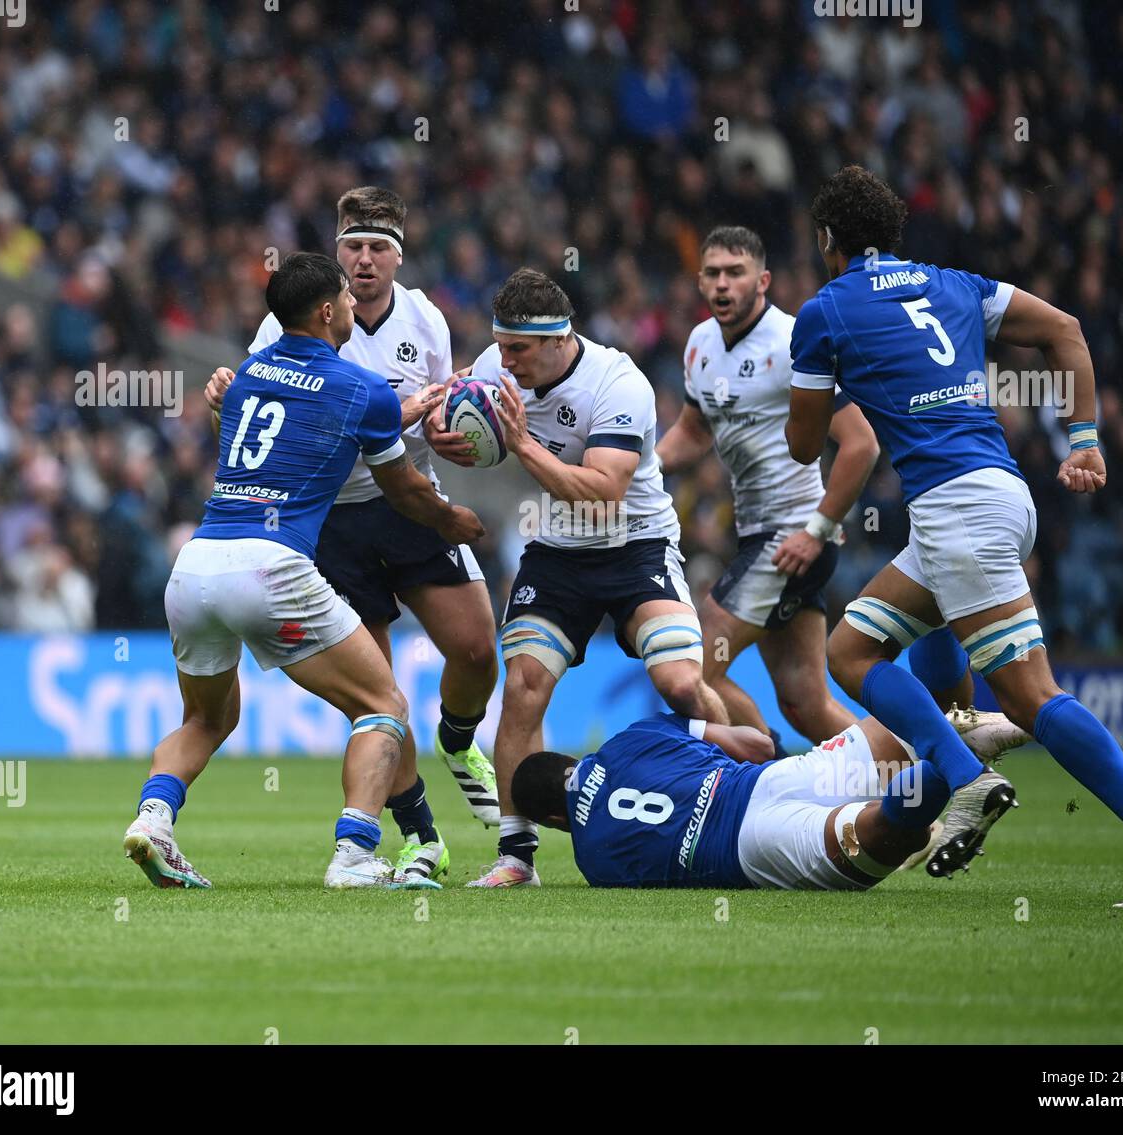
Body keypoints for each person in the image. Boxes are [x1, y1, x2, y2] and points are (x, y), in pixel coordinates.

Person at [787, 165, 1123, 908]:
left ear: (828, 239)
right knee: (853, 648)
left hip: (957, 512)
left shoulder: (825, 312)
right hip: (1001, 494)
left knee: (1031, 697)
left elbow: (801, 443)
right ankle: (963, 752)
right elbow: (1067, 332)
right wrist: (1084, 439)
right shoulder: (953, 283)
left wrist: (824, 386)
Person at [124, 252, 483, 891]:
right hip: (270, 566)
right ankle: (354, 855)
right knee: (384, 705)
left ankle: (154, 820)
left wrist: (391, 414)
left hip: (197, 564)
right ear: (327, 311)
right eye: (345, 297)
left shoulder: (249, 375)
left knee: (206, 718)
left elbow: (295, 423)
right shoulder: (361, 388)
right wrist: (451, 520)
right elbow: (401, 489)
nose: (353, 304)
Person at [205, 187, 500, 888]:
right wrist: (224, 392)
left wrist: (450, 435)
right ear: (337, 257)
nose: (364, 261)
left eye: (377, 249)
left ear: (398, 255)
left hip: (412, 503)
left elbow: (436, 412)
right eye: (353, 248)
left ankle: (458, 740)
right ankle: (418, 836)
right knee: (379, 690)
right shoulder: (284, 328)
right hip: (332, 519)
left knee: (476, 645)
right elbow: (250, 406)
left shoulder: (424, 317)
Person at [425, 268, 730, 887]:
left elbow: (605, 491)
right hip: (558, 551)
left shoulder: (619, 383)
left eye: (519, 350)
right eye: (500, 346)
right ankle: (517, 857)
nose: (504, 361)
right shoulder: (497, 363)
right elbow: (455, 410)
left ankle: (743, 788)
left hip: (635, 545)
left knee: (679, 684)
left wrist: (520, 444)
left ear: (561, 338)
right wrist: (445, 434)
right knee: (525, 686)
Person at [656, 224, 879, 747]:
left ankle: (765, 772)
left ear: (763, 281)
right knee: (806, 702)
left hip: (792, 537)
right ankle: (913, 782)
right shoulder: (700, 344)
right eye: (712, 273)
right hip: (761, 537)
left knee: (696, 665)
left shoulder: (794, 341)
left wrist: (817, 530)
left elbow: (860, 444)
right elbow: (692, 431)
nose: (722, 285)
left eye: (735, 273)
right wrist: (638, 468)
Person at [509, 706, 1026, 890]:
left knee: (882, 831)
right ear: (567, 759)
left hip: (751, 848)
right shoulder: (631, 738)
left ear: (555, 819)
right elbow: (752, 744)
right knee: (896, 728)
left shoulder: (593, 861)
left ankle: (940, 787)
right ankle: (999, 727)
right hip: (765, 781)